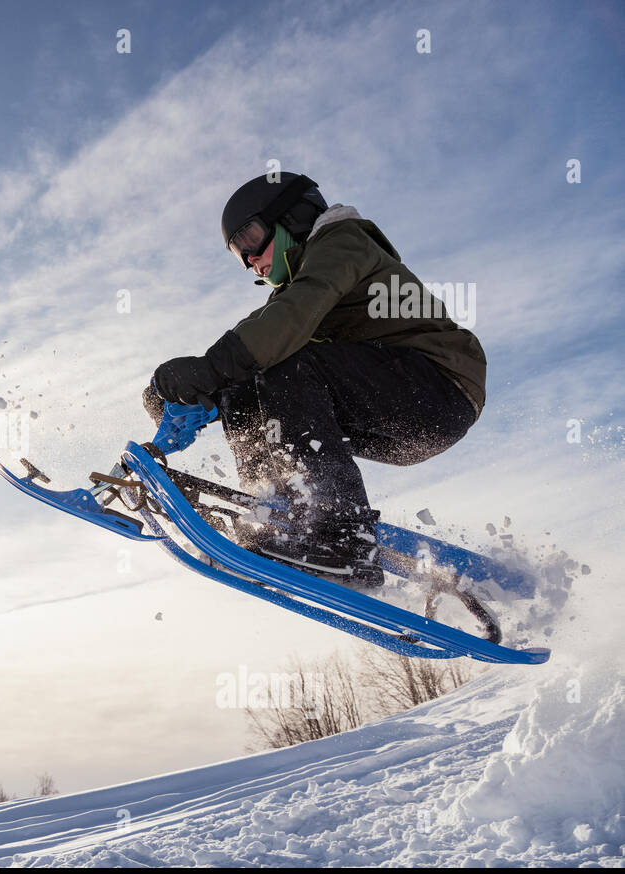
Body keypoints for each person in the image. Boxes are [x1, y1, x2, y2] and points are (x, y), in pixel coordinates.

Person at [144, 172, 486, 588]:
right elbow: (257, 345)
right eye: (239, 254)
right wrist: (200, 397)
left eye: (250, 238)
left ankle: (341, 535)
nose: (250, 259)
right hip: (398, 423)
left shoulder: (341, 242)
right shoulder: (292, 291)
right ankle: (277, 510)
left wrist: (206, 368)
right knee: (246, 384)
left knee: (282, 363)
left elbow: (288, 319)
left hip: (440, 388)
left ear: (294, 216)